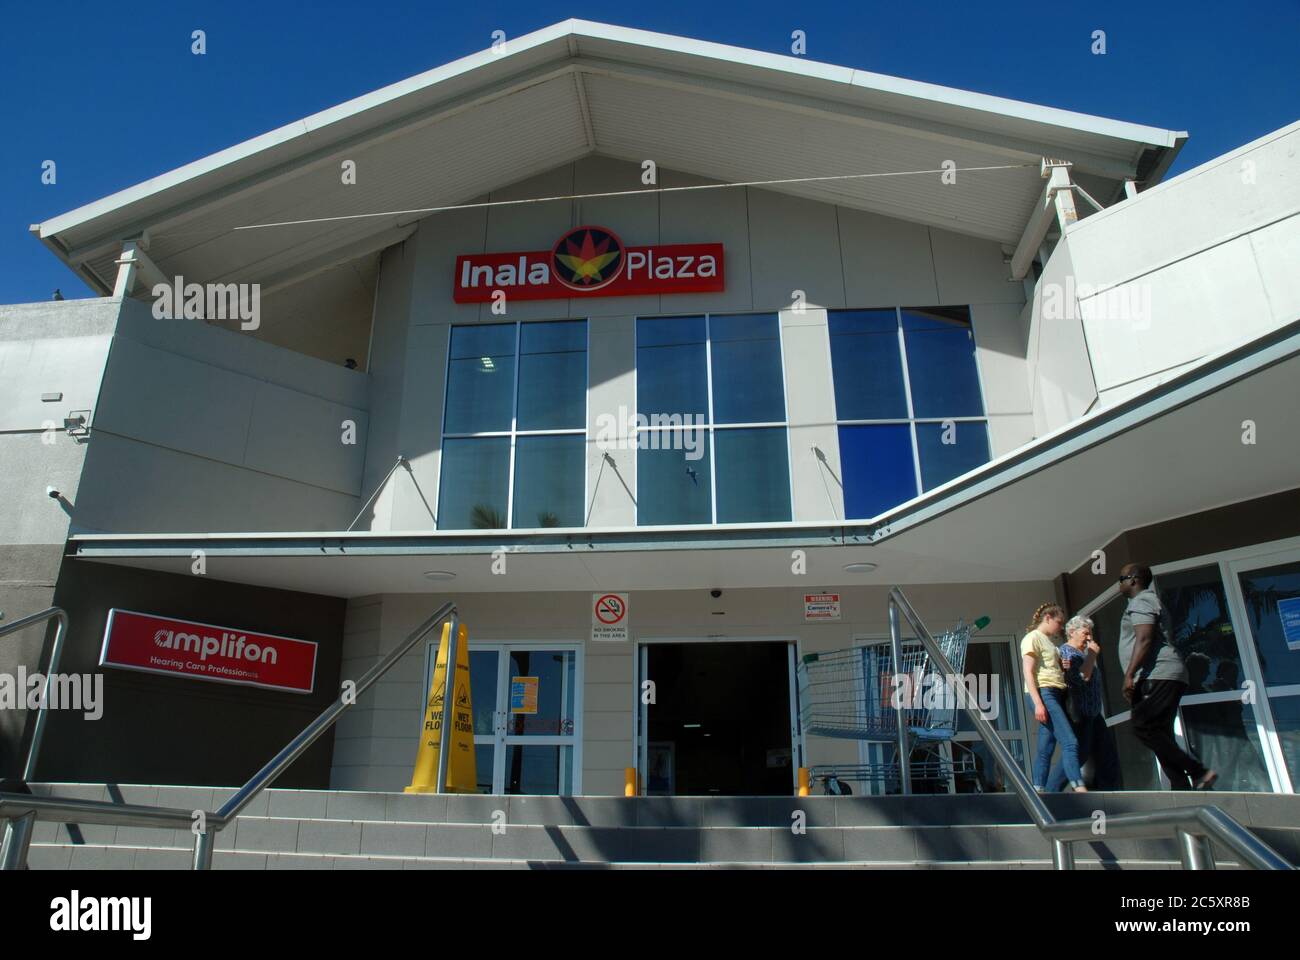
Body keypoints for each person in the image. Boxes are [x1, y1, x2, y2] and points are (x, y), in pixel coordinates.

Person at [1117, 563, 1217, 790]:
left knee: (1143, 726)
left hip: (1159, 674)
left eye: (1121, 578)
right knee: (1161, 735)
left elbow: (1144, 638)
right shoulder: (1149, 601)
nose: (1119, 584)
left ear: (1133, 579)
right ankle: (1182, 788)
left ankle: (1199, 772)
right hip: (1163, 675)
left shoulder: (1142, 601)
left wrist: (1129, 675)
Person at [1048, 615, 1120, 791]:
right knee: (1078, 754)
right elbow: (1080, 678)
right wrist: (1092, 656)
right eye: (1085, 633)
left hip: (1094, 714)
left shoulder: (1082, 655)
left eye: (1090, 634)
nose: (1089, 638)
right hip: (1080, 715)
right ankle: (1051, 791)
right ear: (1072, 632)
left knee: (1106, 756)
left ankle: (1107, 794)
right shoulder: (1066, 652)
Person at [1021, 602, 1085, 792]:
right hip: (1044, 693)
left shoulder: (1052, 645)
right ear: (1047, 618)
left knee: (1046, 746)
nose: (1061, 627)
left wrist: (1062, 666)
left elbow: (1050, 669)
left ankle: (1038, 788)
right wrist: (1038, 703)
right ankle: (1078, 786)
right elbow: (1028, 671)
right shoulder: (1032, 638)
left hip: (1055, 694)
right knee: (1070, 741)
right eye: (1059, 622)